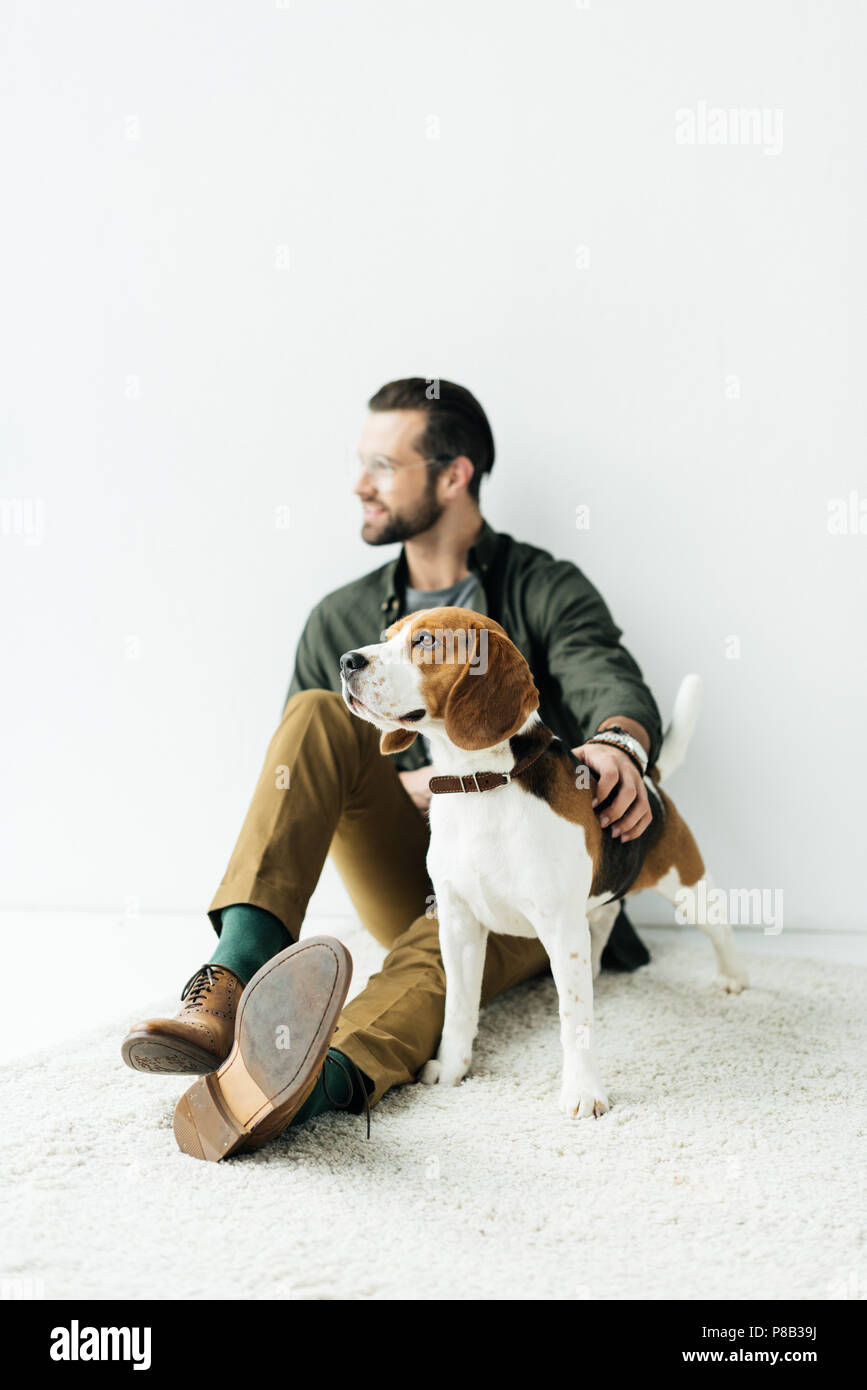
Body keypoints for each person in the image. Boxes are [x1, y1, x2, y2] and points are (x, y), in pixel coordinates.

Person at [122, 378, 663, 1154]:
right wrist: (417, 785)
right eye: (360, 463)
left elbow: (604, 673)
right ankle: (228, 981)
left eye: (382, 464)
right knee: (312, 712)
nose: (358, 484)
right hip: (410, 857)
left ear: (453, 475)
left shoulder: (544, 587)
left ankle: (315, 1080)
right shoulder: (339, 619)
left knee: (444, 943)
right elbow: (299, 774)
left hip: (530, 871)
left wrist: (618, 743)